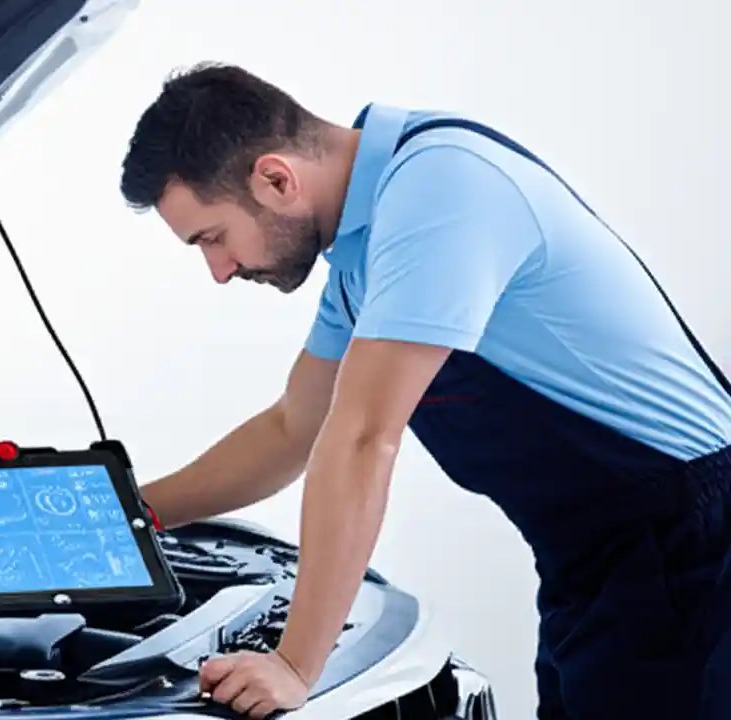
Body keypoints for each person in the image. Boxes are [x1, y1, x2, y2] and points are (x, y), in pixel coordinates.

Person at [117, 62, 731, 719]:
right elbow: (293, 428)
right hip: (600, 557)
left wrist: (295, 665)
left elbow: (362, 438)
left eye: (212, 238)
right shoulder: (365, 249)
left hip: (694, 543)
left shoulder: (441, 191)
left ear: (276, 179)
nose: (218, 270)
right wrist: (128, 517)